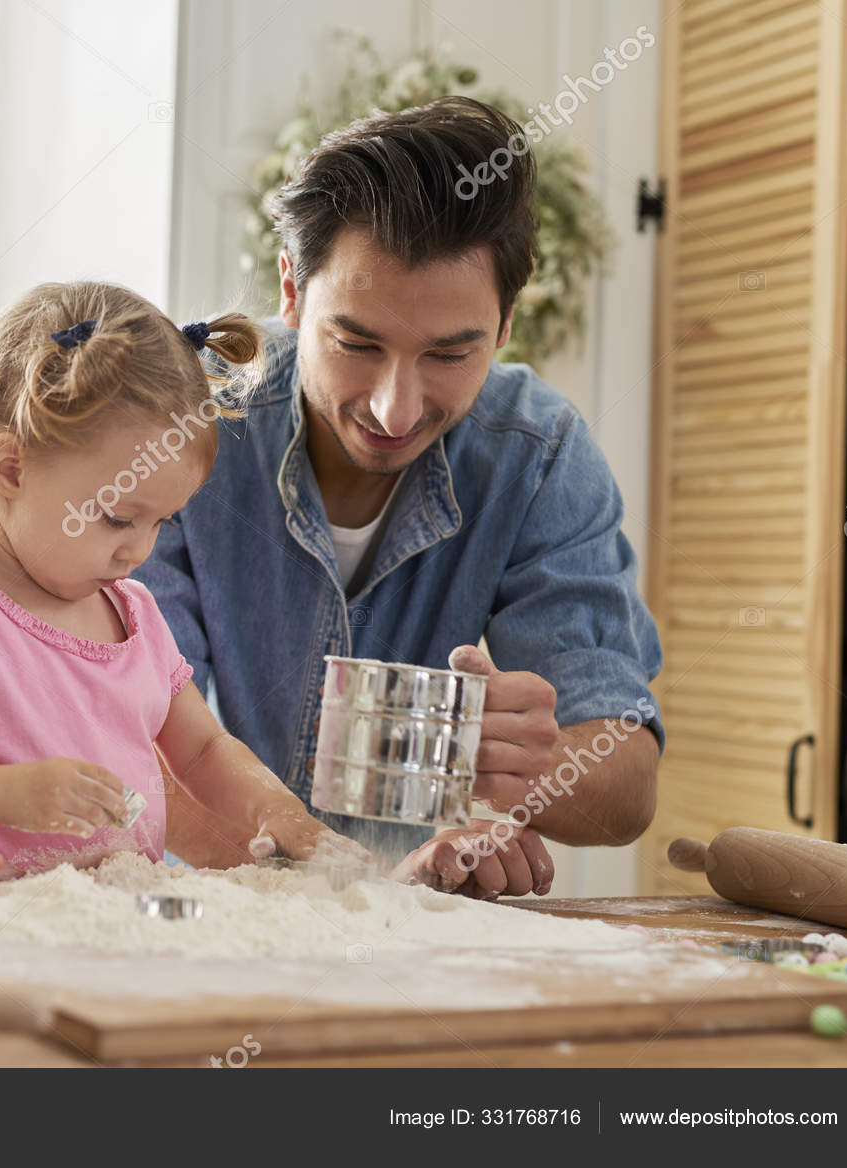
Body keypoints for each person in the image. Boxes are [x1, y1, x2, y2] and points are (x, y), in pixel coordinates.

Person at [135, 97, 662, 897]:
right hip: (204, 919)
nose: (395, 408)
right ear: (291, 292)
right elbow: (123, 732)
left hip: (424, 948)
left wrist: (527, 766)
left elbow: (629, 787)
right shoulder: (181, 422)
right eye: (357, 343)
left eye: (451, 354)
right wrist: (366, 886)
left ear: (506, 324)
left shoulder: (540, 455)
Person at [0, 281, 370, 873]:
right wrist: (9, 794)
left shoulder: (134, 614)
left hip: (105, 941)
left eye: (161, 523)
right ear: (11, 466)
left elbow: (203, 750)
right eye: (118, 518)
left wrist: (277, 809)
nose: (138, 550)